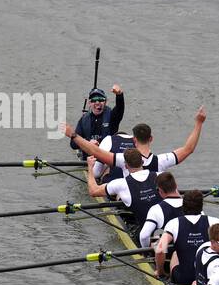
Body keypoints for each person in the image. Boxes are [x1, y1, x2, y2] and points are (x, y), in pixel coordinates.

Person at [62, 106, 206, 183]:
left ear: (134, 140)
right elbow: (188, 149)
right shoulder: (162, 160)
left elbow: (96, 151)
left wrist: (73, 135)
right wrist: (199, 123)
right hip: (152, 203)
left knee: (104, 173)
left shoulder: (124, 160)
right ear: (151, 139)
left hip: (128, 200)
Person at [153, 188, 219, 285]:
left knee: (175, 253)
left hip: (183, 281)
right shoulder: (215, 222)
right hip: (208, 281)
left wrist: (160, 271)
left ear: (183, 206)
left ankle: (170, 278)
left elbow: (160, 249)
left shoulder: (173, 223)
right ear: (201, 206)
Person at [81, 148, 160, 234]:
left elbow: (93, 191)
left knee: (119, 196)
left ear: (126, 165)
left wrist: (90, 167)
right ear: (142, 162)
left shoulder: (121, 184)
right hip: (163, 227)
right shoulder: (160, 176)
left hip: (143, 231)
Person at [74, 85, 124, 156]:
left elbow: (120, 108)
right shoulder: (83, 120)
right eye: (94, 100)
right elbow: (73, 144)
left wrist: (119, 95)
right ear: (89, 103)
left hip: (107, 157)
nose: (97, 102)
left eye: (100, 99)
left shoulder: (112, 116)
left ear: (105, 102)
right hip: (89, 159)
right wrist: (88, 143)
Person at [138, 172, 182, 248]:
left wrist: (147, 250)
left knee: (157, 233)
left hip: (167, 256)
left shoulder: (156, 209)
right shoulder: (192, 205)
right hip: (192, 254)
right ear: (176, 186)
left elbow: (144, 236)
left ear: (160, 190)